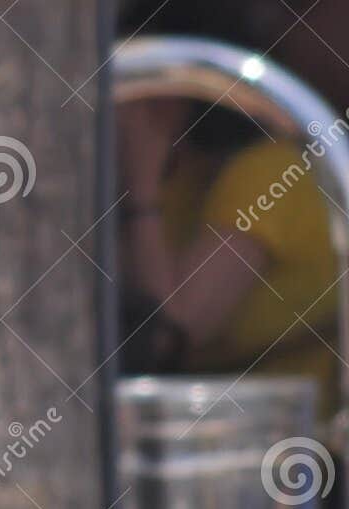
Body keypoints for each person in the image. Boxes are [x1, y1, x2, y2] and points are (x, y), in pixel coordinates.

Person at [118, 0, 349, 412]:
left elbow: (166, 334)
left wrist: (140, 185)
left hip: (282, 453)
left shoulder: (271, 174)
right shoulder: (183, 179)